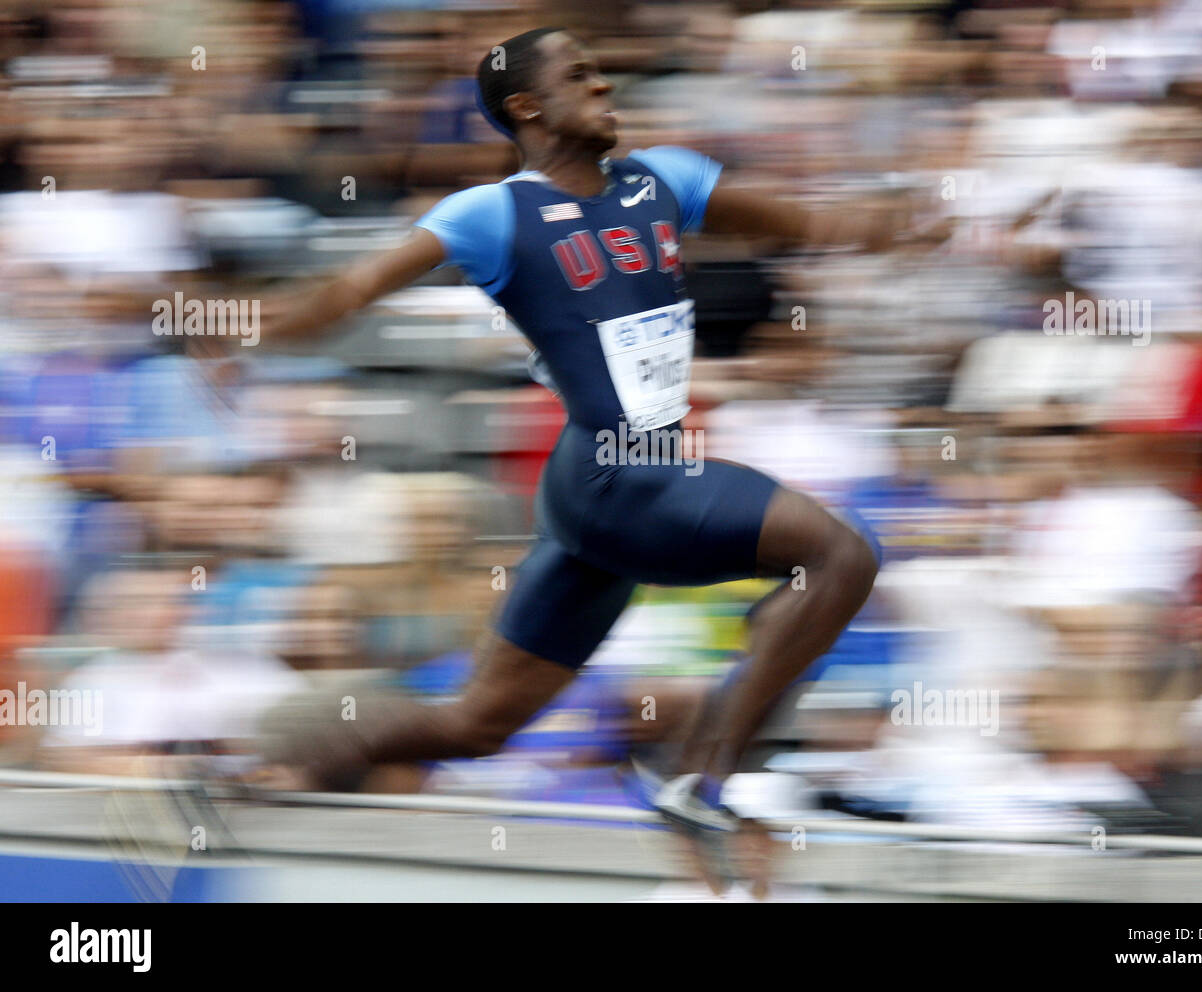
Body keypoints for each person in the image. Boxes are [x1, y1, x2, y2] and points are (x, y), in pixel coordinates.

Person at [242, 26, 935, 883]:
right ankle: (697, 780)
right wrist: (246, 323)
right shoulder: (494, 214)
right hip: (618, 476)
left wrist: (892, 222)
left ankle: (267, 766)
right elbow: (352, 289)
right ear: (528, 106)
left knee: (475, 725)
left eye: (602, 71)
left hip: (601, 491)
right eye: (582, 75)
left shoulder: (663, 179)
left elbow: (814, 222)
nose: (605, 86)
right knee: (842, 555)